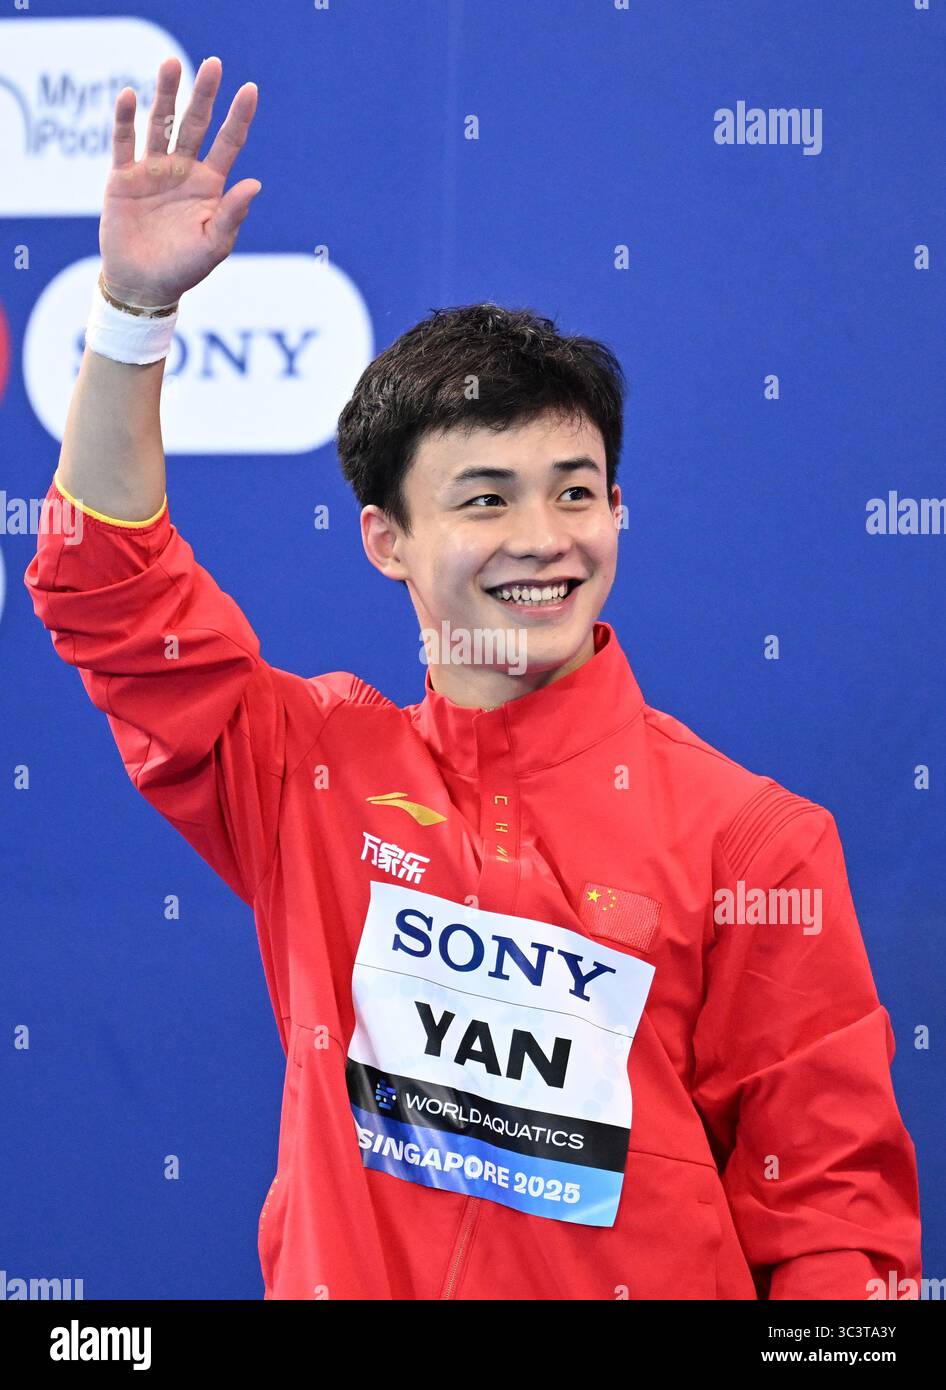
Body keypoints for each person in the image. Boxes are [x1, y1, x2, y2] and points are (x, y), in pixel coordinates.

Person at [24, 55, 921, 1301]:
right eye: (485, 500)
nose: (544, 539)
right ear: (386, 538)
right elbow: (110, 591)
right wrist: (127, 312)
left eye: (574, 492)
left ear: (619, 509)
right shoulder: (308, 767)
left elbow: (833, 1225)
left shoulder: (756, 844)